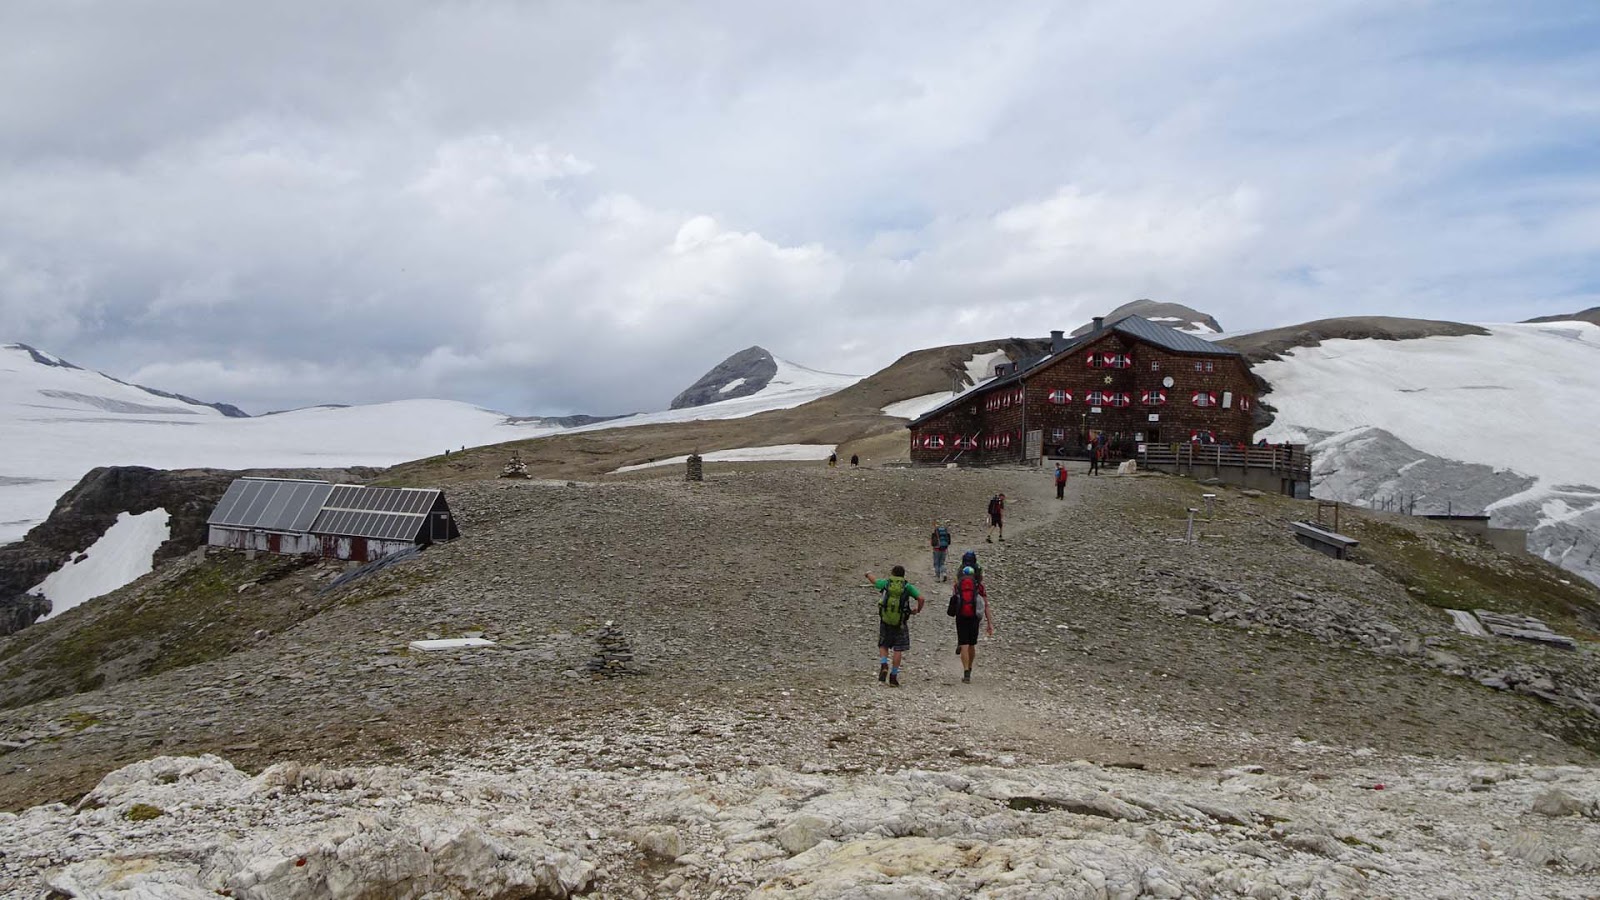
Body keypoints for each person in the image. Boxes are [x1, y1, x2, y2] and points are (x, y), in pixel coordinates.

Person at [865, 566, 924, 687]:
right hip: (900, 622)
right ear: (903, 575)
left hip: (885, 619)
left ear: (892, 573)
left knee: (883, 643)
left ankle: (884, 664)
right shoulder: (907, 587)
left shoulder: (887, 583)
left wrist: (868, 573)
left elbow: (874, 581)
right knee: (898, 648)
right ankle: (893, 676)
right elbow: (921, 598)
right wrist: (917, 610)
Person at [948, 565, 993, 683]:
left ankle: (966, 672)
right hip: (974, 618)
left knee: (964, 644)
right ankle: (971, 667)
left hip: (961, 617)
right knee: (972, 644)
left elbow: (954, 600)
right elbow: (986, 605)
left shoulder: (957, 586)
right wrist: (989, 623)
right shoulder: (980, 587)